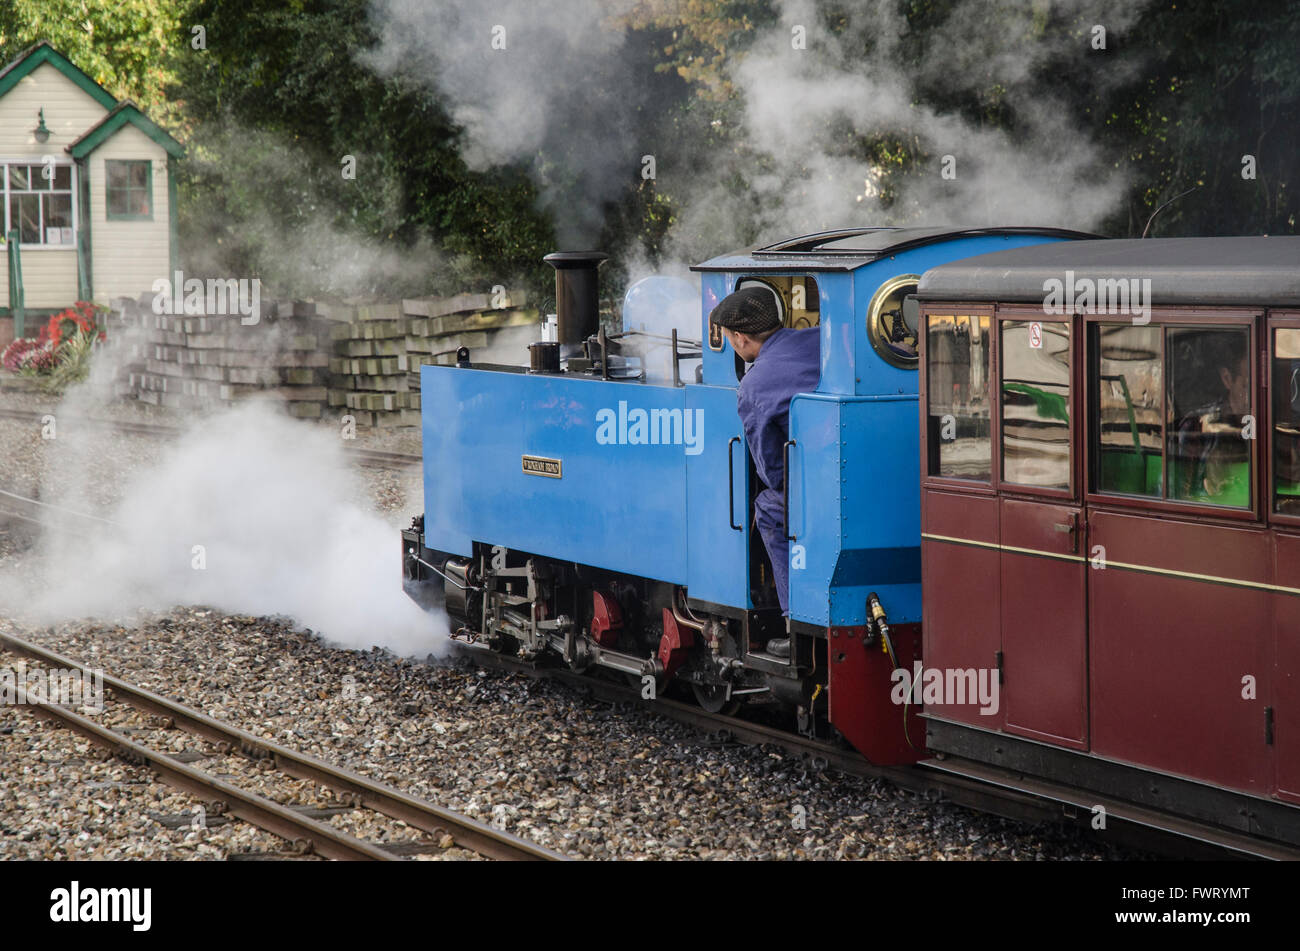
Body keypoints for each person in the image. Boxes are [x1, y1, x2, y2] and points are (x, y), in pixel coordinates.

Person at [709, 285, 820, 658]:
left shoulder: (753, 386)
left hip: (819, 485)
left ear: (739, 338)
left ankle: (795, 620)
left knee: (769, 507)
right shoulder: (820, 338)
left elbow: (773, 471)